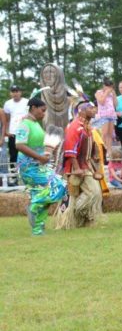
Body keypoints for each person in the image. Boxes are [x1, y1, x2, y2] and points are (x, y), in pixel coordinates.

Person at [14, 97, 66, 235]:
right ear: (33, 108)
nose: (44, 114)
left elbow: (37, 145)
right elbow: (19, 145)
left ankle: (38, 229)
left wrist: (47, 153)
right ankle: (34, 205)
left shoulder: (36, 124)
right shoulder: (24, 124)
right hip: (28, 166)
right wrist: (40, 157)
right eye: (42, 110)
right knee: (59, 185)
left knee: (44, 195)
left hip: (38, 164)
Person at [56, 99, 105, 229]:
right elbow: (70, 149)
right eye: (91, 108)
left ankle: (80, 219)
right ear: (82, 111)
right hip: (75, 168)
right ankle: (72, 216)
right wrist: (77, 169)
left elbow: (88, 148)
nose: (94, 110)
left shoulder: (87, 127)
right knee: (87, 193)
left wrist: (94, 157)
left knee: (94, 194)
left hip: (86, 166)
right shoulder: (75, 127)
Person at [2, 85, 29, 182]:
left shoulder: (26, 102)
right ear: (10, 93)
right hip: (13, 133)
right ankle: (14, 177)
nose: (15, 93)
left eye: (17, 91)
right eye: (13, 91)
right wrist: (7, 131)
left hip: (24, 132)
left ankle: (26, 177)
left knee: (26, 155)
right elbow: (7, 118)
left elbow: (31, 115)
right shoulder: (7, 104)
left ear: (20, 92)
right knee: (13, 155)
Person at [94, 77, 118, 153]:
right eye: (108, 87)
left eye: (111, 87)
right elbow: (101, 102)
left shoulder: (111, 93)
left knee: (110, 134)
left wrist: (114, 95)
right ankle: (102, 150)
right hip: (103, 115)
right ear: (104, 86)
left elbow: (115, 104)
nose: (110, 89)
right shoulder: (98, 92)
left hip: (111, 115)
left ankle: (109, 151)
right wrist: (106, 93)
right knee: (104, 133)